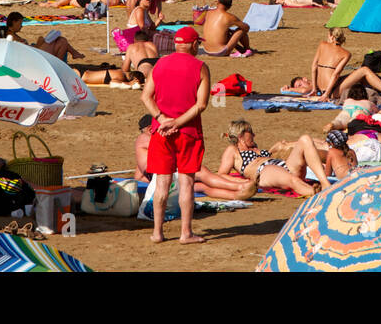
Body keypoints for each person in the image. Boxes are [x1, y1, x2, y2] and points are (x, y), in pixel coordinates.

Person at [140, 27, 211, 244]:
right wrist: (177, 123)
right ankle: (185, 233)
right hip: (187, 131)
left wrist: (162, 120)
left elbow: (146, 97)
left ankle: (157, 232)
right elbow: (201, 104)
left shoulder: (160, 64)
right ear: (194, 44)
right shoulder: (200, 67)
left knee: (162, 183)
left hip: (161, 131)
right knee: (186, 183)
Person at [132, 114, 254, 200]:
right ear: (150, 128)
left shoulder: (141, 148)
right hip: (164, 171)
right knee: (200, 171)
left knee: (201, 187)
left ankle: (236, 195)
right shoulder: (145, 138)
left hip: (160, 175)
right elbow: (169, 148)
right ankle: (240, 187)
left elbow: (139, 177)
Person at [217, 121, 330, 196]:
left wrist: (276, 149)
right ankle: (318, 194)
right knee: (293, 180)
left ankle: (325, 183)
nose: (254, 135)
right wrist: (244, 182)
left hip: (283, 166)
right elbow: (221, 174)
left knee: (305, 139)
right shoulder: (233, 150)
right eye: (250, 132)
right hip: (264, 171)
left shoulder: (255, 148)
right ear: (241, 136)